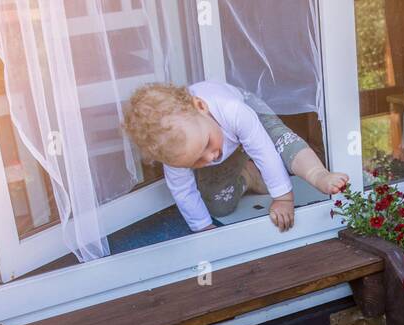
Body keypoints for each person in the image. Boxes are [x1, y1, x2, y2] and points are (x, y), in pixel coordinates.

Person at [125, 81, 348, 233]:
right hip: (229, 143)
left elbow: (264, 151)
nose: (210, 157)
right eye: (195, 162)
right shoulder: (174, 152)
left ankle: (319, 174)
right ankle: (248, 175)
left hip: (249, 117)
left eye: (206, 144)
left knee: (282, 142)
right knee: (218, 205)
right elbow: (183, 191)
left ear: (201, 106)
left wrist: (283, 198)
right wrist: (203, 228)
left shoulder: (234, 110)